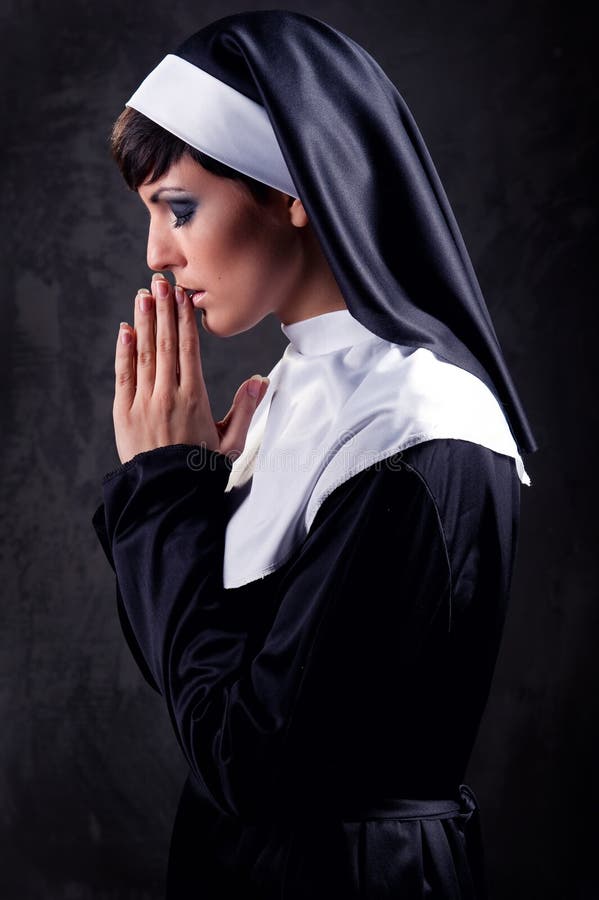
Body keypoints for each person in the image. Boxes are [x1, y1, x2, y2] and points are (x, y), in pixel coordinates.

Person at [91, 10, 537, 898]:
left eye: (178, 208)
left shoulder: (418, 419)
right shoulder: (292, 394)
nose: (156, 255)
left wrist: (162, 505)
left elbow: (253, 764)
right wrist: (196, 503)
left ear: (292, 188)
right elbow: (201, 699)